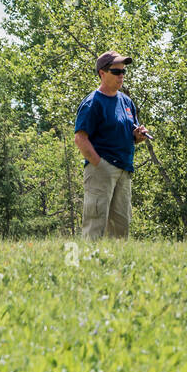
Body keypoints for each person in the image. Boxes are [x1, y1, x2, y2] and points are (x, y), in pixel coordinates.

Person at [74, 51, 149, 240]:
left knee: (121, 226)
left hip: (124, 169)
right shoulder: (93, 103)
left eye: (123, 71)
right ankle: (87, 265)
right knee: (95, 223)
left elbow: (131, 134)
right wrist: (100, 165)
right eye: (116, 72)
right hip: (101, 169)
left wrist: (138, 135)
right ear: (102, 73)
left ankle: (116, 267)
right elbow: (80, 139)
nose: (121, 75)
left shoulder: (126, 102)